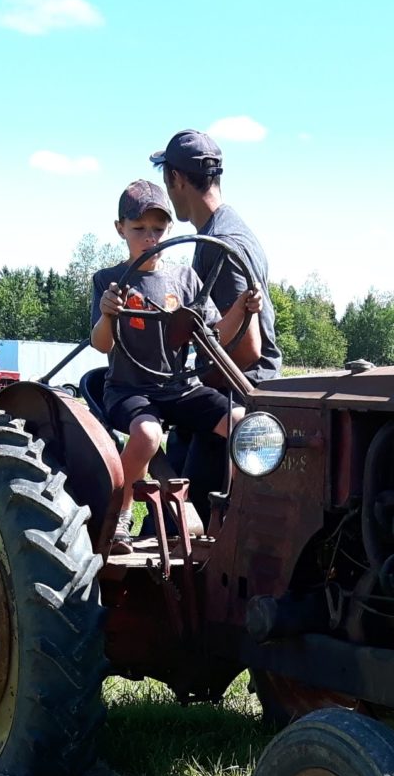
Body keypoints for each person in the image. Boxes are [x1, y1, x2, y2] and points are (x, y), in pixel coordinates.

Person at [89, 178, 255, 536]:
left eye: (158, 230)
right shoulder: (109, 281)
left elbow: (216, 338)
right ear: (120, 229)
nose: (150, 238)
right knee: (148, 435)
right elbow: (102, 344)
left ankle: (240, 508)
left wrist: (242, 308)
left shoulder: (185, 279)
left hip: (180, 389)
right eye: (139, 229)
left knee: (242, 422)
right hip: (130, 389)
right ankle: (121, 510)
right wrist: (107, 314)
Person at [151, 129, 280, 382]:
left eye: (167, 183)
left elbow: (247, 352)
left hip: (241, 392)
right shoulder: (229, 227)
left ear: (176, 178)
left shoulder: (219, 244)